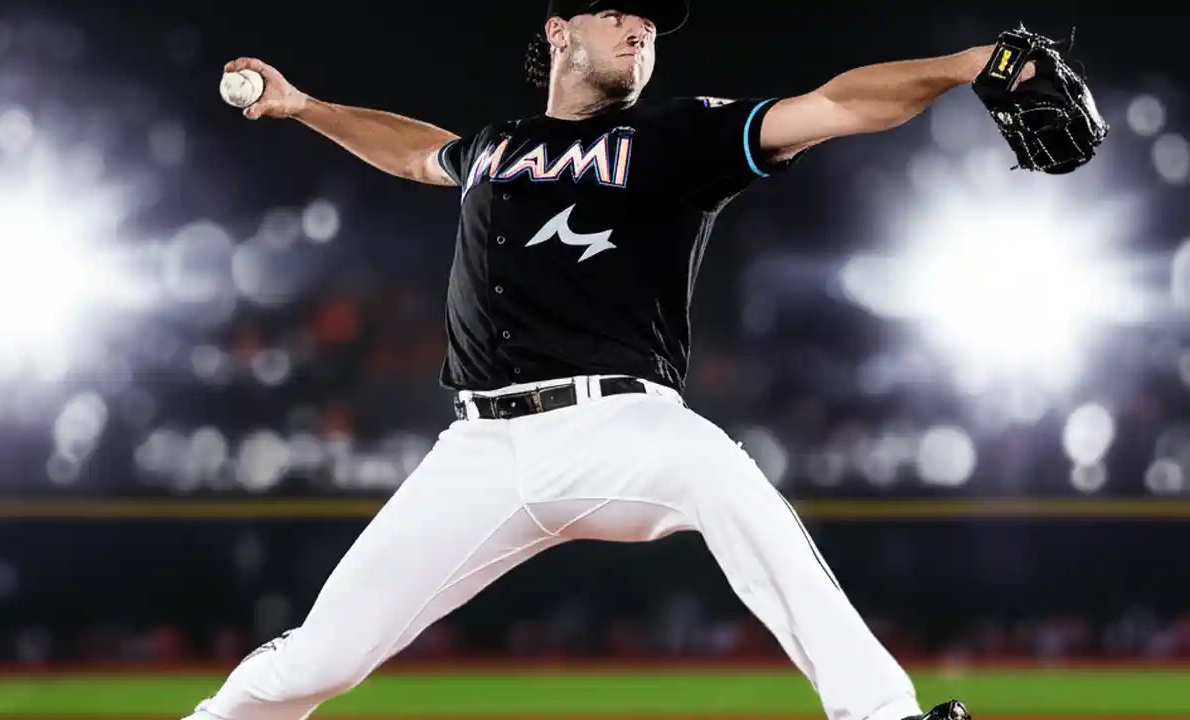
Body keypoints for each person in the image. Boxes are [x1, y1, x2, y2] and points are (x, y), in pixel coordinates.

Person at [187, 2, 1031, 718]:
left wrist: (965, 63)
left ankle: (880, 713)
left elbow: (838, 105)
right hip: (478, 451)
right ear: (560, 33)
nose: (640, 31)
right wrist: (303, 106)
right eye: (618, 12)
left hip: (623, 424)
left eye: (650, 22)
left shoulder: (678, 133)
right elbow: (415, 152)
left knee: (728, 481)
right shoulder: (493, 146)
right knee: (323, 658)